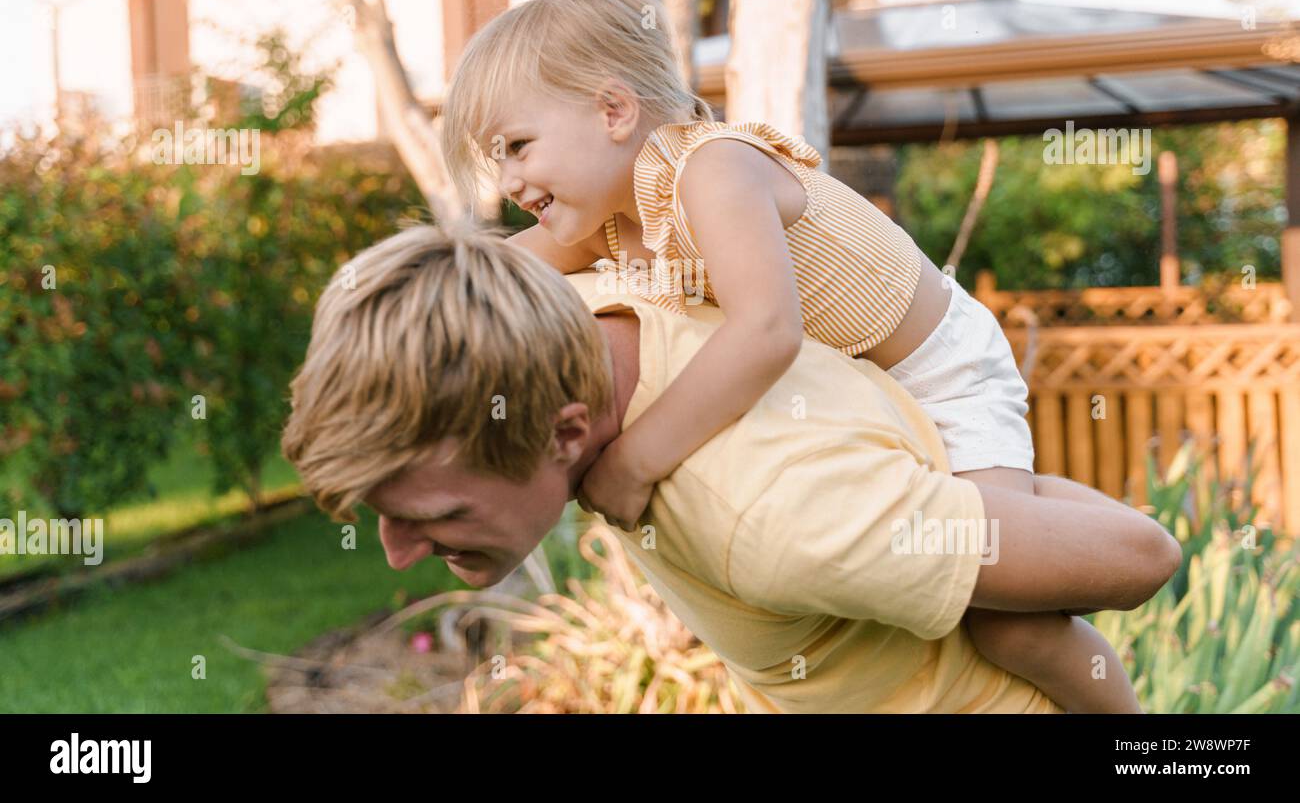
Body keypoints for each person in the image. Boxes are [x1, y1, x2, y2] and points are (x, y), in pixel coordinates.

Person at [436, 0, 1135, 711]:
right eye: (496, 160)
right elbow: (490, 273)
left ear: (613, 111)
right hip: (864, 390)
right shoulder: (609, 216)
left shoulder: (714, 170)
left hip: (942, 375)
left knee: (1004, 625)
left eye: (517, 146)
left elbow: (767, 332)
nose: (508, 181)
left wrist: (636, 463)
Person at [280, 224, 1182, 714]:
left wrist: (965, 495)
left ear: (563, 434)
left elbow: (1142, 557)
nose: (396, 552)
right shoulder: (589, 297)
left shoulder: (781, 518)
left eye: (429, 514)